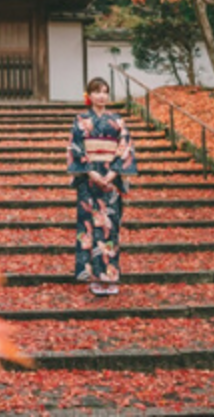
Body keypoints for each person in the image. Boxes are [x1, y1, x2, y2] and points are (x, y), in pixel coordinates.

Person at [67, 77, 137, 296]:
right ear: (89, 95)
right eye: (96, 92)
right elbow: (75, 148)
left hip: (111, 181)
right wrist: (91, 172)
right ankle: (93, 275)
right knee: (88, 226)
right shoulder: (80, 120)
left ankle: (110, 275)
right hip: (89, 181)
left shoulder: (117, 121)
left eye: (105, 92)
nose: (101, 96)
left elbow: (125, 149)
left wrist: (113, 173)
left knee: (109, 228)